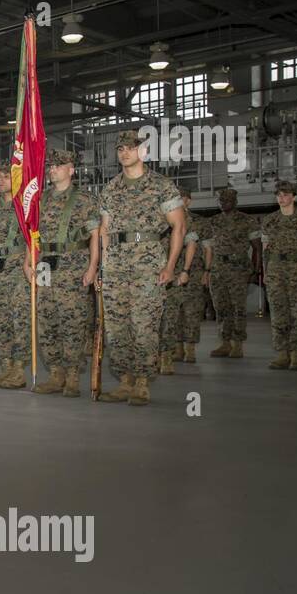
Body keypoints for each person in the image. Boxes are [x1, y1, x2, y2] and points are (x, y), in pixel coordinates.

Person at [97, 130, 185, 406]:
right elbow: (104, 230)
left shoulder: (161, 186)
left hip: (148, 263)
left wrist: (170, 266)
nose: (125, 153)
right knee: (116, 327)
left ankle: (143, 382)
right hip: (116, 265)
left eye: (131, 148)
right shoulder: (111, 188)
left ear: (143, 152)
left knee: (144, 324)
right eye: (120, 148)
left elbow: (178, 227)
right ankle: (124, 380)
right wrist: (102, 266)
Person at [31, 149, 100, 397]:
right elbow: (33, 236)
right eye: (50, 165)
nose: (52, 169)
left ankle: (72, 375)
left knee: (73, 322)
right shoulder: (40, 200)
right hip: (44, 266)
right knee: (47, 321)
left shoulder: (85, 199)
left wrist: (93, 267)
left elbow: (95, 236)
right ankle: (55, 374)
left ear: (71, 169)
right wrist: (30, 262)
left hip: (73, 265)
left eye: (59, 165)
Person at [261, 180, 297, 371]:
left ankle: (296, 355)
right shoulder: (269, 220)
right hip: (275, 269)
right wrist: (265, 271)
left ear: (294, 196)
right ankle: (282, 354)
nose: (282, 198)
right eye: (278, 195)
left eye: (286, 194)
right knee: (278, 314)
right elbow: (265, 249)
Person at [0, 164, 33, 389]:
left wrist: (28, 261)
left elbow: (34, 237)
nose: (1, 180)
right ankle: (6, 367)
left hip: (17, 268)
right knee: (0, 321)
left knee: (20, 320)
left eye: (6, 176)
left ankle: (19, 370)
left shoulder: (25, 207)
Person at [158, 185, 213, 372]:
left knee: (190, 313)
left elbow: (193, 246)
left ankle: (188, 349)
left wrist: (188, 271)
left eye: (182, 198)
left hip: (184, 273)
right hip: (163, 274)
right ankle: (167, 356)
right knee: (168, 317)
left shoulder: (190, 221)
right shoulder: (161, 217)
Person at [206, 187, 261, 358]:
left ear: (235, 202)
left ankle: (238, 344)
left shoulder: (247, 220)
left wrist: (257, 270)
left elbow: (257, 248)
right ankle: (225, 342)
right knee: (220, 307)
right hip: (218, 270)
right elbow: (209, 249)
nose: (224, 203)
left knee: (238, 308)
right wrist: (207, 270)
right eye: (221, 201)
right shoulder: (213, 221)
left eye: (227, 200)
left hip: (238, 270)